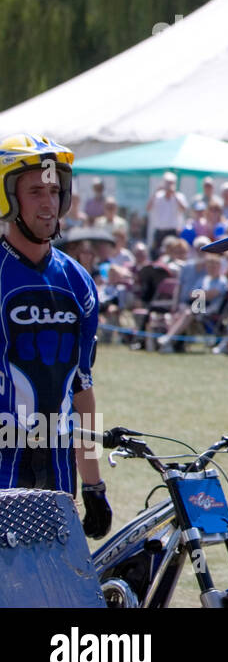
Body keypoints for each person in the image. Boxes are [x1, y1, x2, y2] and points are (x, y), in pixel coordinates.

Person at [0, 135, 111, 538]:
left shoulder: (78, 282)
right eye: (35, 192)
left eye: (54, 191)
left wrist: (94, 484)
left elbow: (82, 385)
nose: (48, 203)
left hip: (58, 467)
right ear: (8, 198)